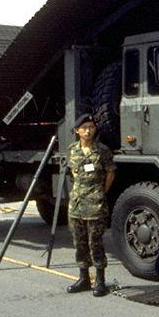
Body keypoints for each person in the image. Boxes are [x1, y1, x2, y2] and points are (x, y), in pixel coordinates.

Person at [66, 113, 116, 297]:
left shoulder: (102, 150)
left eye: (91, 127)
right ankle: (84, 278)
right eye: (84, 128)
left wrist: (101, 192)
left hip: (96, 204)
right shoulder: (72, 150)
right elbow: (73, 174)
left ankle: (100, 281)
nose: (88, 131)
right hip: (77, 204)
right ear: (77, 131)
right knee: (79, 243)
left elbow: (110, 173)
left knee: (95, 243)